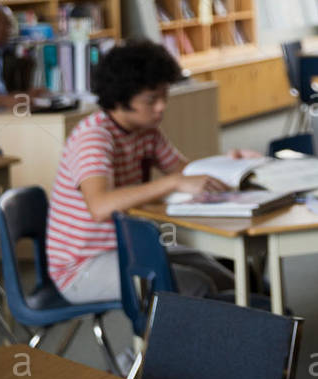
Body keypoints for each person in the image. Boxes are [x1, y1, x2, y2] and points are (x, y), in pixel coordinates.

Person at [45, 40, 241, 304]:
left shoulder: (145, 131)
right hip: (82, 266)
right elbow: (100, 206)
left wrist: (229, 164)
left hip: (129, 246)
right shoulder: (94, 137)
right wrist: (172, 183)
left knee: (227, 278)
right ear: (121, 98)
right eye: (151, 100)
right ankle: (165, 345)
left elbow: (187, 171)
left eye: (164, 96)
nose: (161, 106)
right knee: (195, 286)